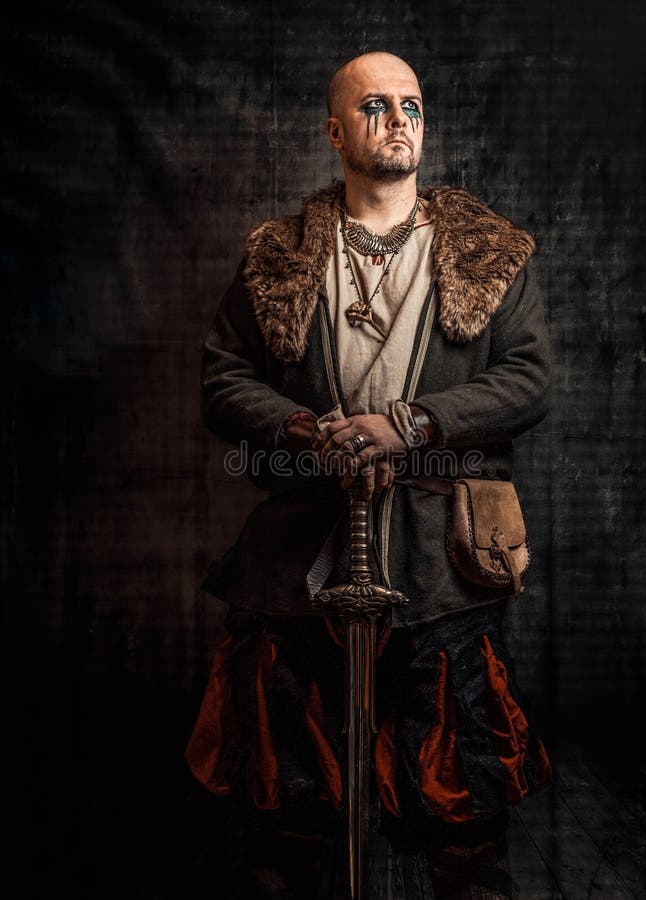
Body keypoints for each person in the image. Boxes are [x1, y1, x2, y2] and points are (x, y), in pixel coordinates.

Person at [185, 51, 552, 900]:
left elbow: (529, 379)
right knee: (292, 800)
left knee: (458, 794)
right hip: (301, 552)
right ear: (335, 130)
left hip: (442, 560)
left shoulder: (490, 254)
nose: (398, 120)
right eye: (377, 105)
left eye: (413, 107)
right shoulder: (277, 257)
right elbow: (223, 379)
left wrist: (410, 423)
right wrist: (306, 428)